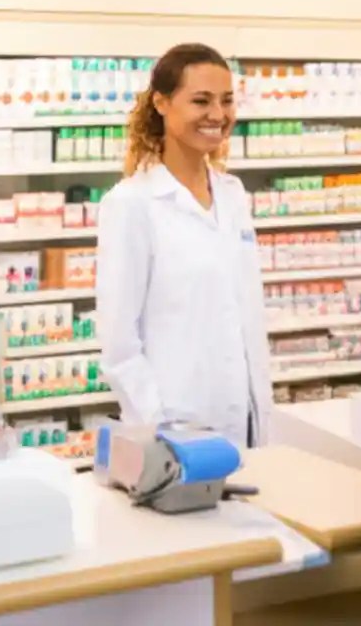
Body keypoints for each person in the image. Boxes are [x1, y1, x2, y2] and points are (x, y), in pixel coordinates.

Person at [95, 43, 272, 447]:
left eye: (227, 101)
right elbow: (119, 344)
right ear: (161, 103)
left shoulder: (232, 194)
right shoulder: (131, 204)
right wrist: (160, 430)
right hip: (177, 431)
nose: (218, 115)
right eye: (201, 101)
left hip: (246, 421)